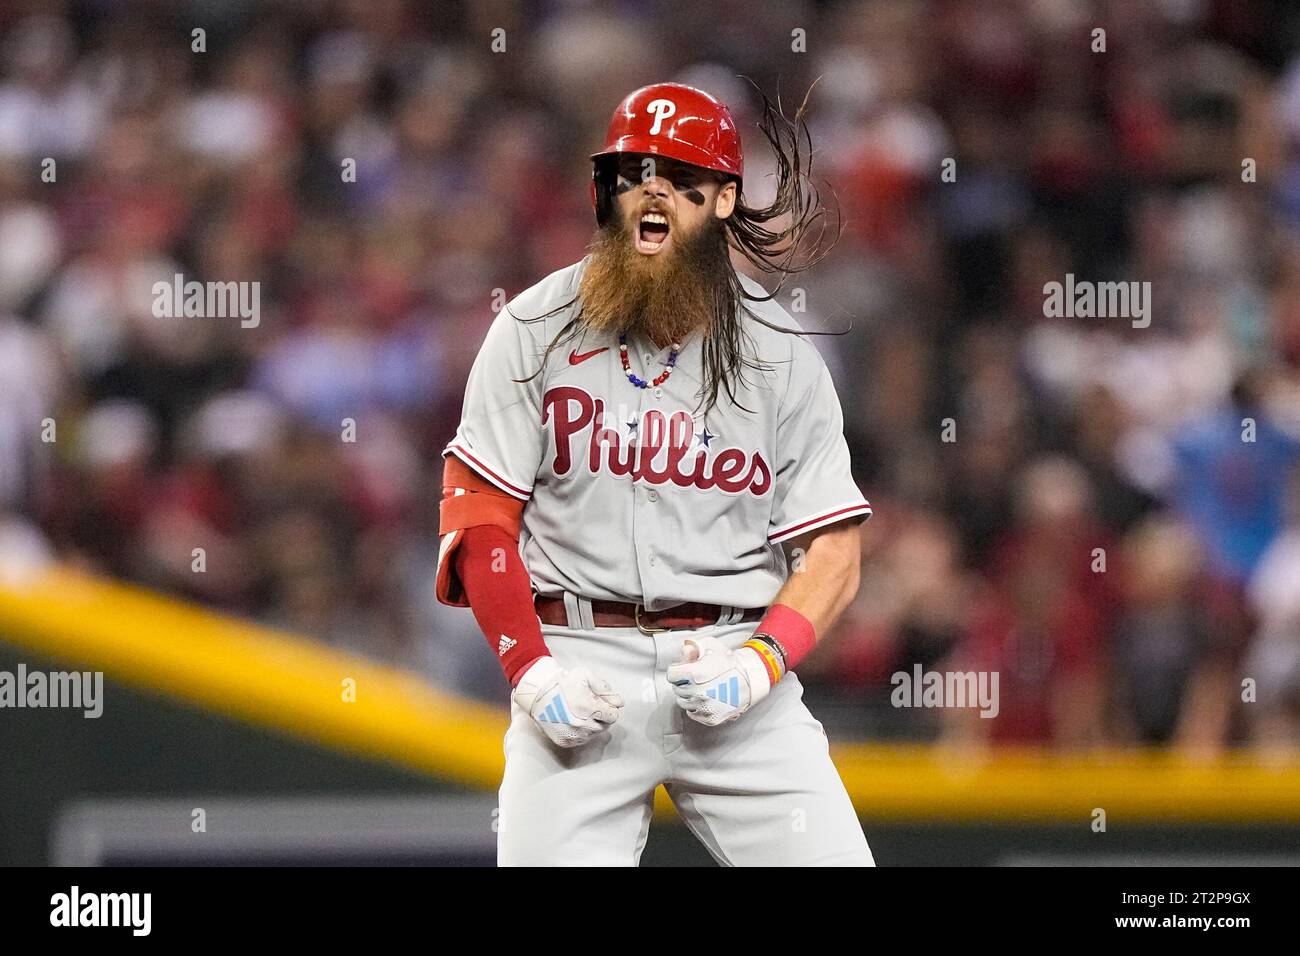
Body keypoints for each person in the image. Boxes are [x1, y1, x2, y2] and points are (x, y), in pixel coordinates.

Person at [437, 82, 874, 866]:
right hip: (577, 662)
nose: (653, 193)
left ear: (725, 200)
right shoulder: (534, 327)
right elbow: (478, 517)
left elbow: (834, 551)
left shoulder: (782, 357)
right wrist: (532, 673)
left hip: (733, 668)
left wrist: (760, 662)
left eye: (681, 179)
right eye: (635, 173)